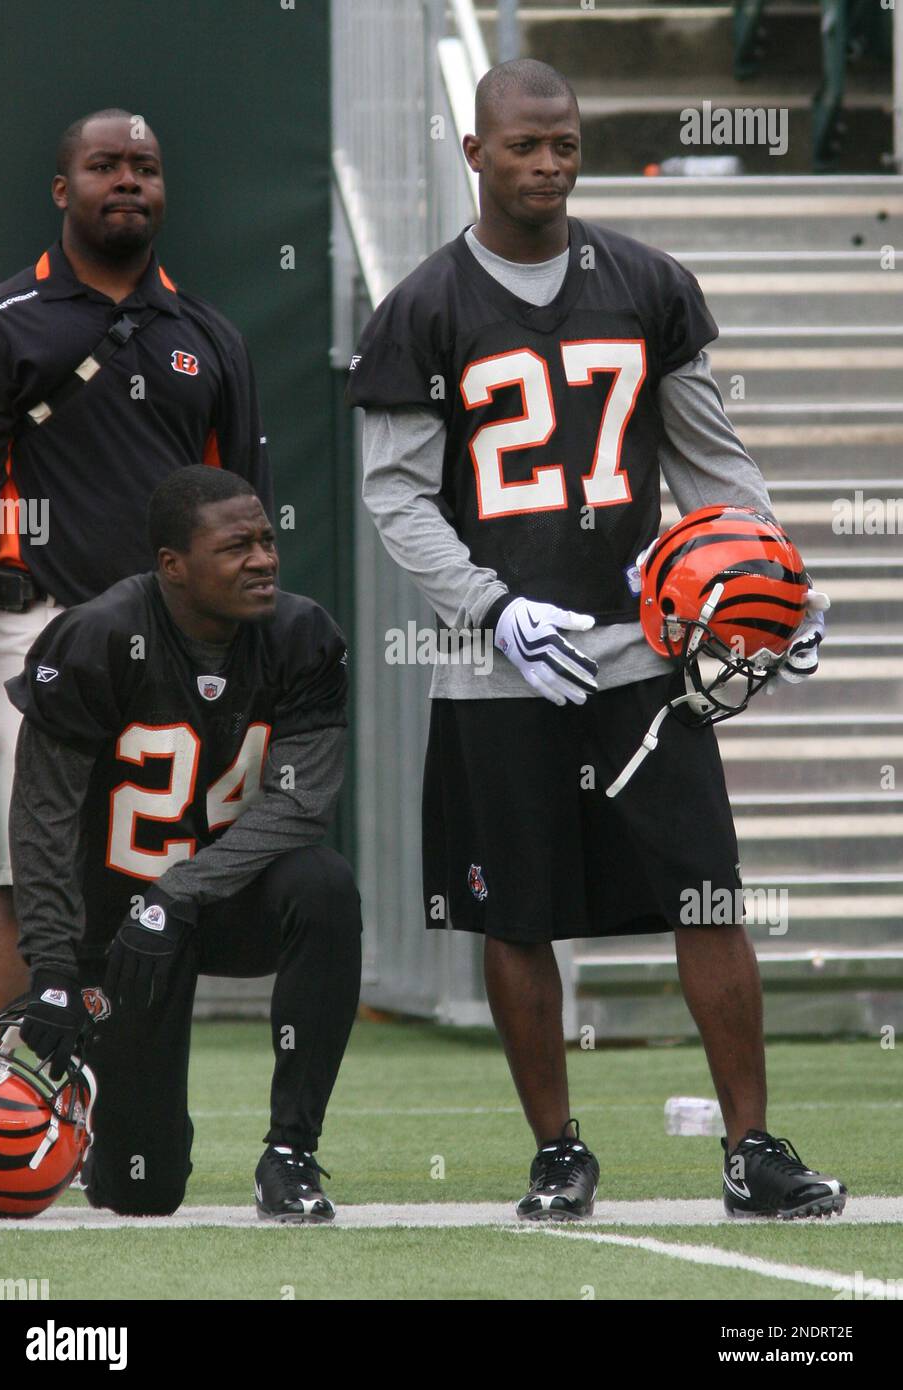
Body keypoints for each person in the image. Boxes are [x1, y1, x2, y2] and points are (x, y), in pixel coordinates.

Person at [347, 59, 845, 1221]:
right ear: (475, 154)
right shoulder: (423, 306)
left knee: (709, 897)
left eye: (565, 144)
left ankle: (751, 1148)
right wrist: (490, 606)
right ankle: (558, 1151)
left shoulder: (648, 283)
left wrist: (777, 579)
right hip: (498, 663)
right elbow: (396, 499)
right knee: (512, 911)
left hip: (645, 656)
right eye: (524, 146)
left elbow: (711, 460)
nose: (549, 165)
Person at [0, 108, 271, 1027]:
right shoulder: (2, 326)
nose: (128, 182)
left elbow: (249, 513)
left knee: (147, 872)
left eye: (144, 166)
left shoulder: (210, 335)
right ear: (64, 190)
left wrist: (247, 659)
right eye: (105, 166)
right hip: (35, 634)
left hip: (176, 651)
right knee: (25, 875)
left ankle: (120, 1127)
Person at [4, 467, 361, 1221]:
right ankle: (113, 1131)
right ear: (173, 566)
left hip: (225, 903)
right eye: (236, 547)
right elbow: (43, 817)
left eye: (266, 541)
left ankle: (291, 1153)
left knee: (323, 886)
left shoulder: (301, 636)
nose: (263, 560)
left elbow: (302, 803)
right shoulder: (98, 636)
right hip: (122, 928)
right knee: (143, 1189)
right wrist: (55, 967)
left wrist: (179, 890)